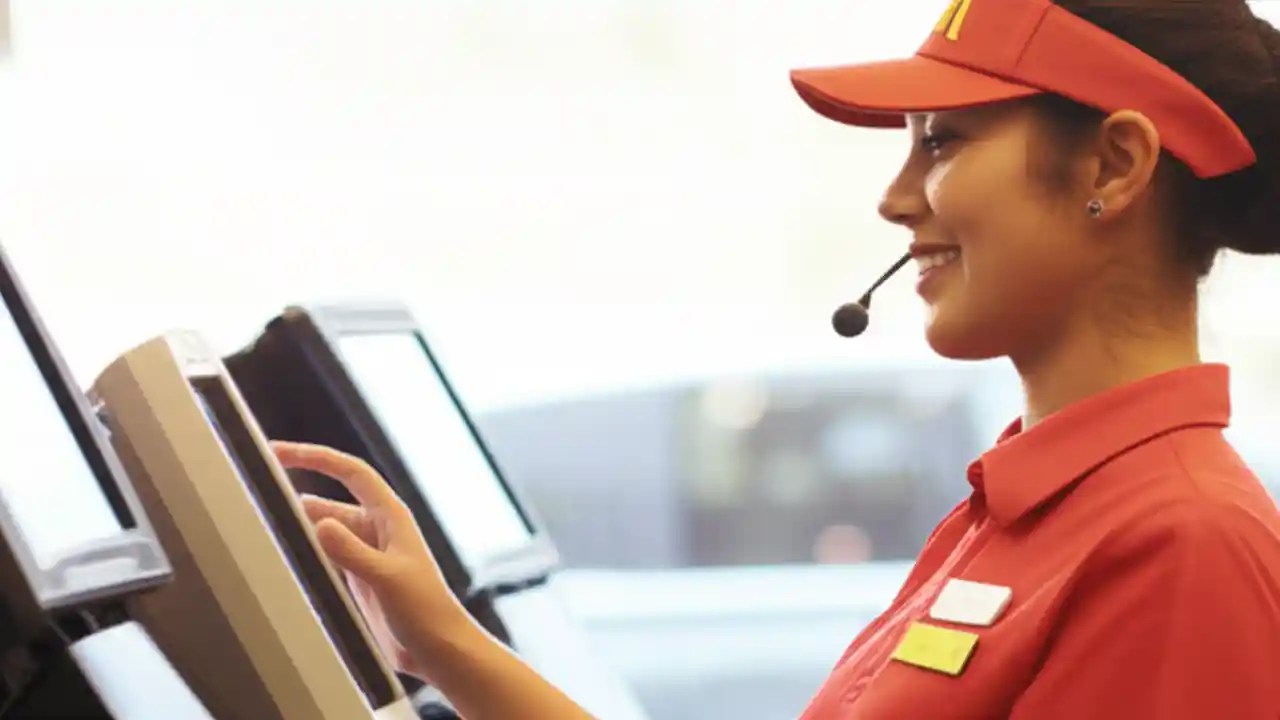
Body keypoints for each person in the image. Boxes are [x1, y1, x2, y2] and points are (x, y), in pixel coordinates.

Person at [272, 0, 1280, 717]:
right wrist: (438, 643)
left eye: (940, 142)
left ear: (1112, 163)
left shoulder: (1180, 546)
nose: (894, 196)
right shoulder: (1018, 516)